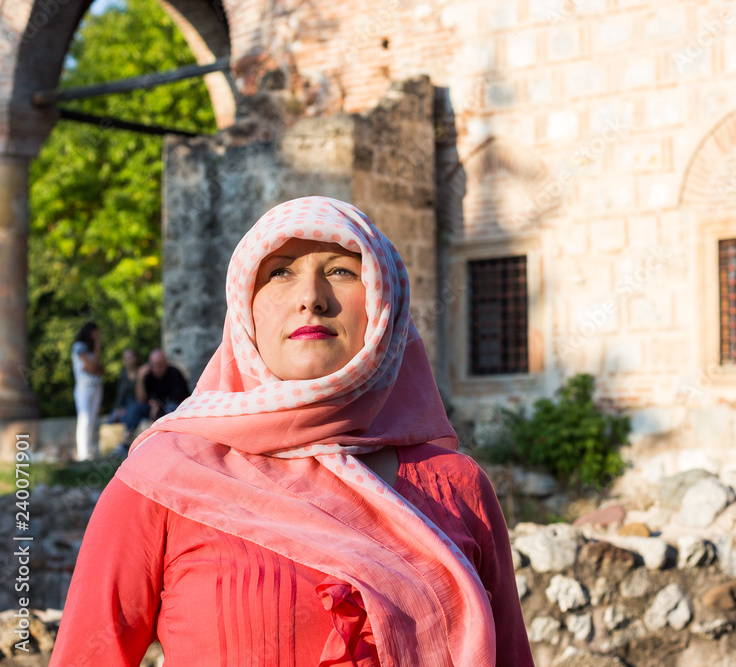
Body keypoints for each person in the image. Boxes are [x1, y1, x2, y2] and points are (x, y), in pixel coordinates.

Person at [50, 196, 533, 666]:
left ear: (384, 304)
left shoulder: (456, 485)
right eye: (280, 271)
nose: (311, 299)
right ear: (246, 309)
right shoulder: (162, 482)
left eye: (342, 271)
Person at [119, 348, 190, 444]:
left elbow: (178, 401)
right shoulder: (149, 376)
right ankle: (126, 441)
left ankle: (170, 440)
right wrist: (140, 377)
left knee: (171, 407)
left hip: (172, 411)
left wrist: (158, 406)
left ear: (166, 362)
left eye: (160, 365)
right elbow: (141, 399)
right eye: (153, 365)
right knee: (135, 408)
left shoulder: (175, 374)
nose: (156, 369)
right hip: (154, 410)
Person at [70, 321, 103, 460]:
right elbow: (91, 366)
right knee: (84, 419)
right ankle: (82, 453)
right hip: (84, 387)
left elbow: (99, 370)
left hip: (96, 386)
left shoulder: (88, 350)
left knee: (92, 419)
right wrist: (97, 347)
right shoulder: (79, 347)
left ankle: (89, 451)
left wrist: (93, 368)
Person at [107, 348, 140, 423]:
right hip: (124, 404)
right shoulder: (123, 374)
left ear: (136, 358)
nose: (127, 361)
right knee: (111, 420)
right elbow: (120, 393)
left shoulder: (141, 373)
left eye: (130, 358)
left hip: (136, 405)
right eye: (125, 359)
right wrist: (118, 408)